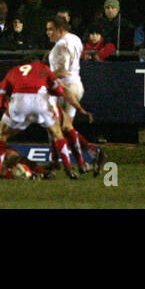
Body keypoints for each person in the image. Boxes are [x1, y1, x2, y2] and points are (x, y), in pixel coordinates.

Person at [0, 55, 92, 179]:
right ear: (35, 62)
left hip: (20, 101)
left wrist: (2, 105)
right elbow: (60, 91)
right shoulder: (43, 68)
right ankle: (69, 168)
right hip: (41, 102)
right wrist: (80, 109)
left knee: (2, 136)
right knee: (58, 133)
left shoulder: (14, 71)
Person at [46, 15, 101, 174]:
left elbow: (63, 71)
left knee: (57, 126)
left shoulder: (61, 45)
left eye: (51, 29)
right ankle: (81, 158)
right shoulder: (75, 39)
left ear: (60, 29)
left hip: (65, 88)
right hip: (75, 84)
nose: (48, 33)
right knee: (63, 126)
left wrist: (44, 76)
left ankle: (87, 156)